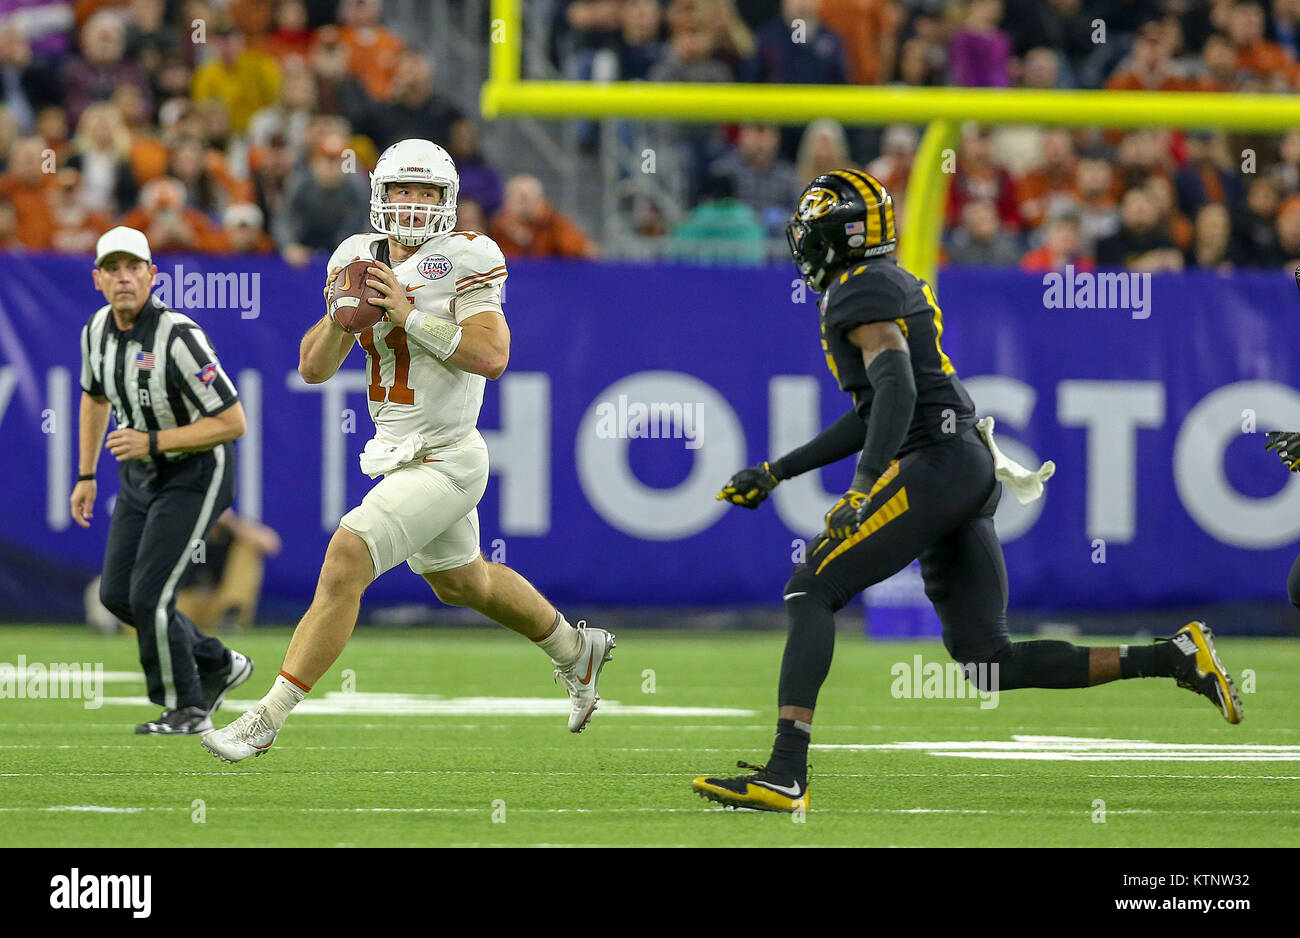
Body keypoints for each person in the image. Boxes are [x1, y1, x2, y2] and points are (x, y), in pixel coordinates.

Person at [691, 170, 1243, 812]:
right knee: (988, 660)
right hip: (962, 465)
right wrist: (779, 470)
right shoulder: (881, 282)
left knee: (811, 586)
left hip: (937, 464)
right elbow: (878, 404)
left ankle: (786, 772)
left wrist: (864, 487)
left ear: (837, 238)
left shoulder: (857, 289)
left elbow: (895, 385)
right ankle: (1173, 657)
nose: (803, 247)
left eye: (812, 235)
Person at [202, 139, 615, 763]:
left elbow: (493, 357)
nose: (414, 204)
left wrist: (408, 313)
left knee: (347, 556)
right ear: (380, 196)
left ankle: (267, 716)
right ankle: (573, 649)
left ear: (447, 201)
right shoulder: (354, 256)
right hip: (396, 449)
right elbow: (313, 369)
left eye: (427, 192)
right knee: (463, 583)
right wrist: (342, 317)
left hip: (449, 454)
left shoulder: (469, 255)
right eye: (402, 190)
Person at [73, 226, 254, 735]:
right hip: (141, 472)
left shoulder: (178, 336)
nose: (124, 278)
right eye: (113, 268)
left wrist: (152, 443)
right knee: (117, 594)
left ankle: (187, 706)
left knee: (150, 593)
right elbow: (93, 397)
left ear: (153, 276)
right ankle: (217, 661)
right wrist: (86, 473)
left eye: (134, 268)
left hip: (197, 470)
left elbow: (233, 421)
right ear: (98, 280)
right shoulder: (95, 332)